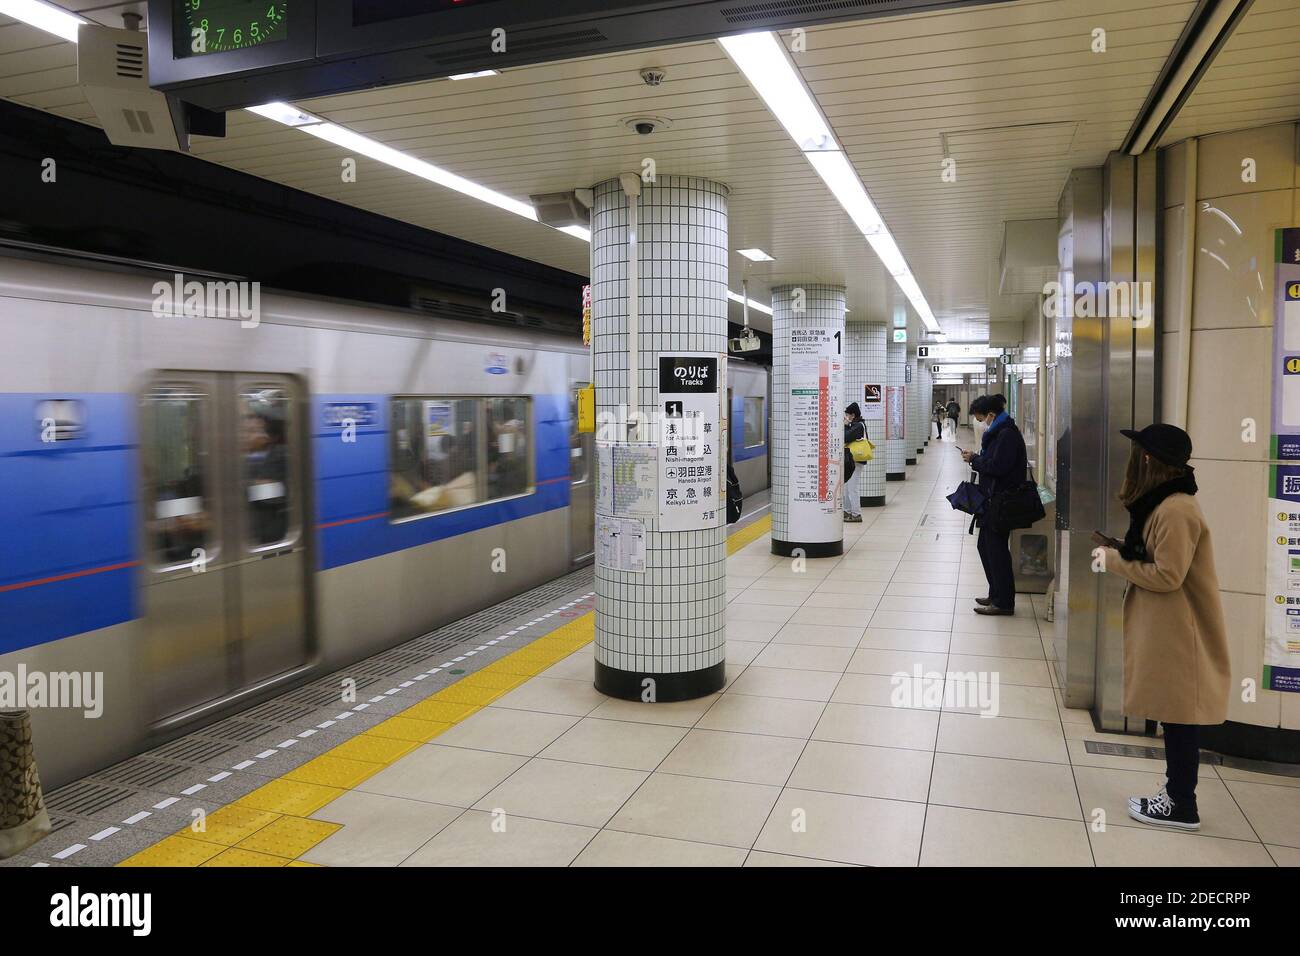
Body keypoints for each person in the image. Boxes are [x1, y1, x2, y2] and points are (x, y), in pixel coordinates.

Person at [1092, 424, 1229, 831]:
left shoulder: (1176, 510)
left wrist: (1113, 561)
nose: (1133, 461)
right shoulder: (1163, 503)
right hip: (1169, 626)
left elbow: (1169, 575)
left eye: (1138, 454)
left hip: (1179, 631)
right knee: (1175, 714)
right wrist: (1122, 550)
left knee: (1180, 715)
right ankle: (1176, 796)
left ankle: (1181, 803)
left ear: (1150, 460)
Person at [961, 394, 1026, 616]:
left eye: (982, 419)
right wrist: (978, 457)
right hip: (994, 499)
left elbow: (998, 467)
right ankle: (996, 593)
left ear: (991, 414)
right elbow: (995, 462)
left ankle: (1004, 601)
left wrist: (975, 460)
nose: (982, 423)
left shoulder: (1006, 434)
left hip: (1002, 501)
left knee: (996, 551)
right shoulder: (1000, 433)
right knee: (986, 547)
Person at [842, 402, 867, 523]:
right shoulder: (856, 424)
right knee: (847, 487)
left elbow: (846, 437)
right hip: (852, 460)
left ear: (853, 414)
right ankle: (847, 512)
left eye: (847, 414)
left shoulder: (858, 426)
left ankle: (856, 514)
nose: (846, 417)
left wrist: (846, 425)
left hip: (856, 460)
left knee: (852, 488)